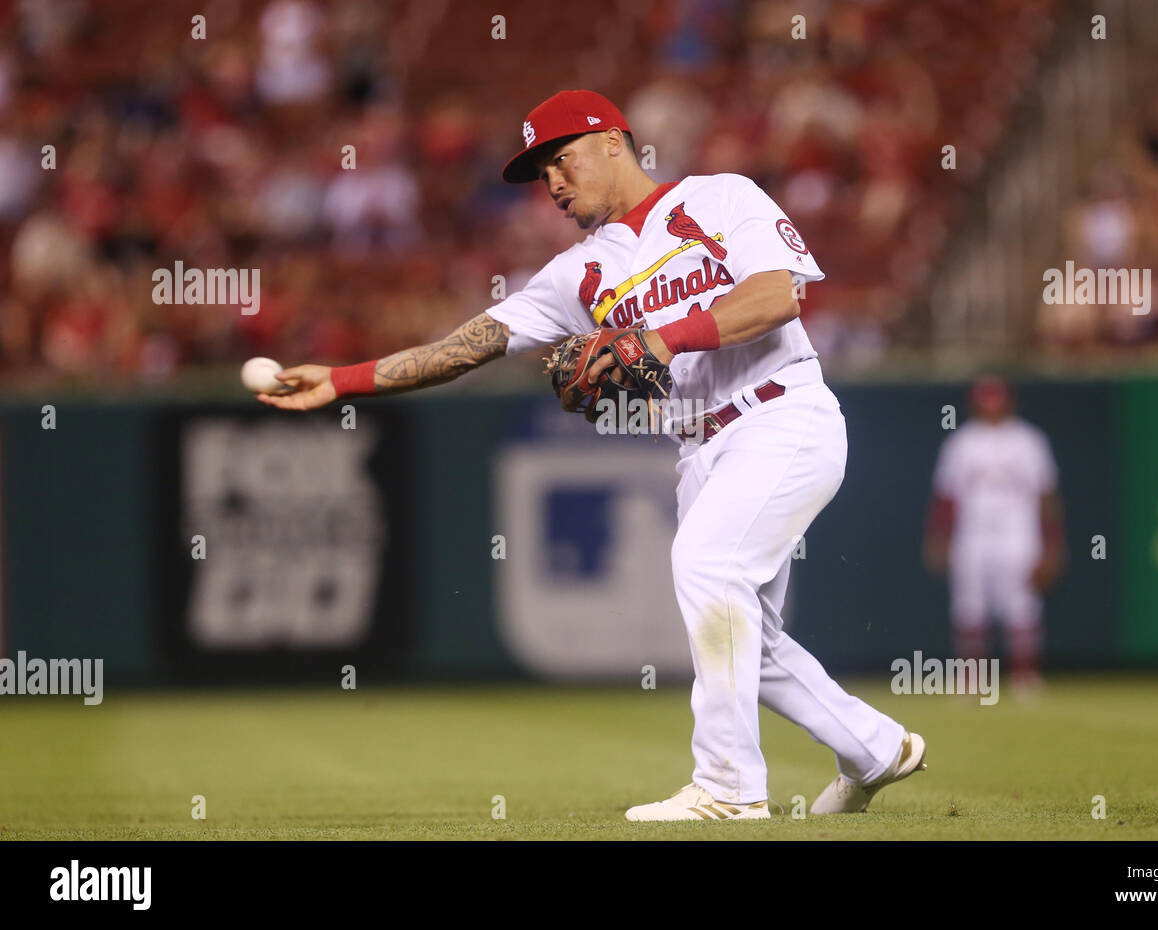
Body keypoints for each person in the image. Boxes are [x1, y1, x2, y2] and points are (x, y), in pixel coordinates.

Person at [259, 89, 925, 820]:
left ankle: (732, 788)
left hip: (781, 414)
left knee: (709, 568)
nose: (553, 183)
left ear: (614, 140)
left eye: (561, 159)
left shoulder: (720, 197)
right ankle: (874, 747)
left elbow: (775, 298)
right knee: (748, 640)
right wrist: (342, 381)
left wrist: (657, 340)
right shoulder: (576, 274)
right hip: (699, 450)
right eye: (542, 173)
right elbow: (461, 349)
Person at [924, 376, 1063, 695]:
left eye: (996, 400)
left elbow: (1047, 496)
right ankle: (973, 682)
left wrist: (1053, 545)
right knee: (968, 606)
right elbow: (946, 497)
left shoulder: (1029, 440)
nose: (991, 408)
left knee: (1022, 605)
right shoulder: (962, 442)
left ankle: (1024, 678)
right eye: (985, 401)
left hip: (1019, 532)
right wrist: (939, 539)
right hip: (972, 534)